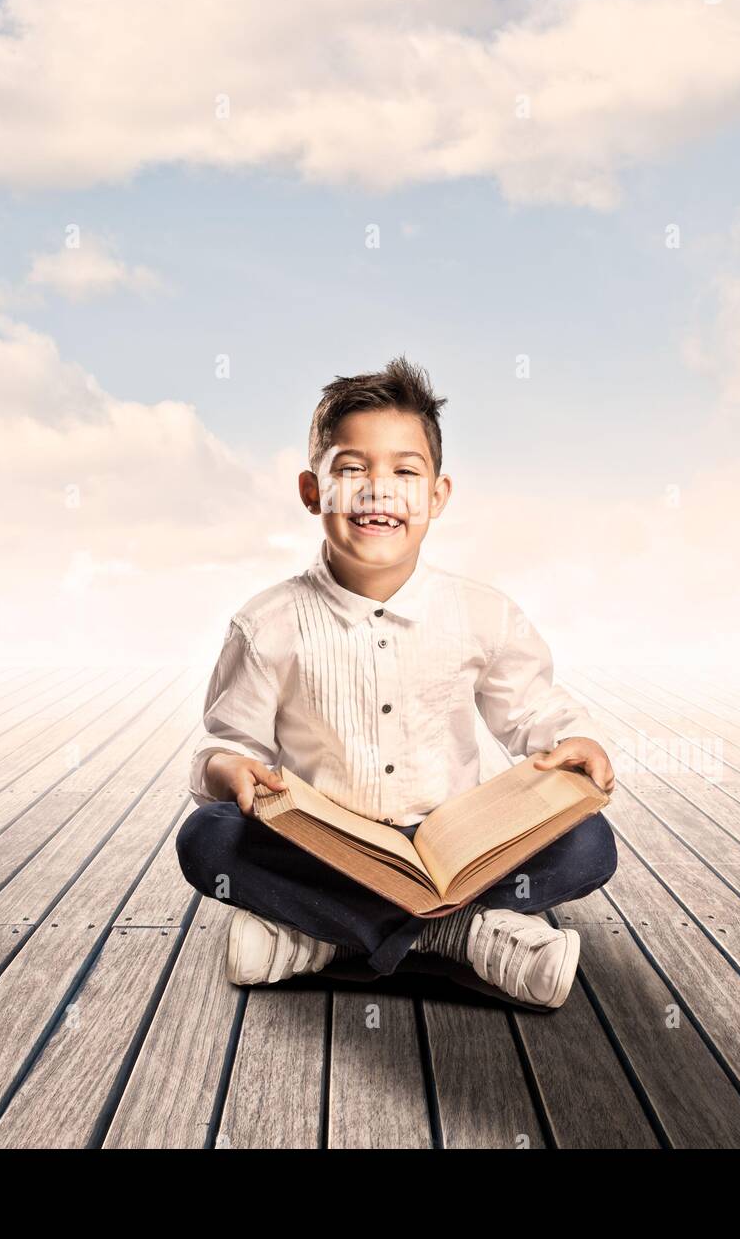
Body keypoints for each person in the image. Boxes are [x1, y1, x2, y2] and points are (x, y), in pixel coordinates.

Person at [176, 357, 617, 1008]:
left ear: (437, 496)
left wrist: (576, 738)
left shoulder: (480, 611)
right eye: (352, 468)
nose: (379, 490)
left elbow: (531, 712)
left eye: (405, 472)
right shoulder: (266, 622)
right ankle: (461, 937)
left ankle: (325, 936)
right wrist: (225, 772)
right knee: (206, 838)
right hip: (328, 849)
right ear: (311, 489)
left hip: (459, 852)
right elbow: (229, 744)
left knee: (589, 841)